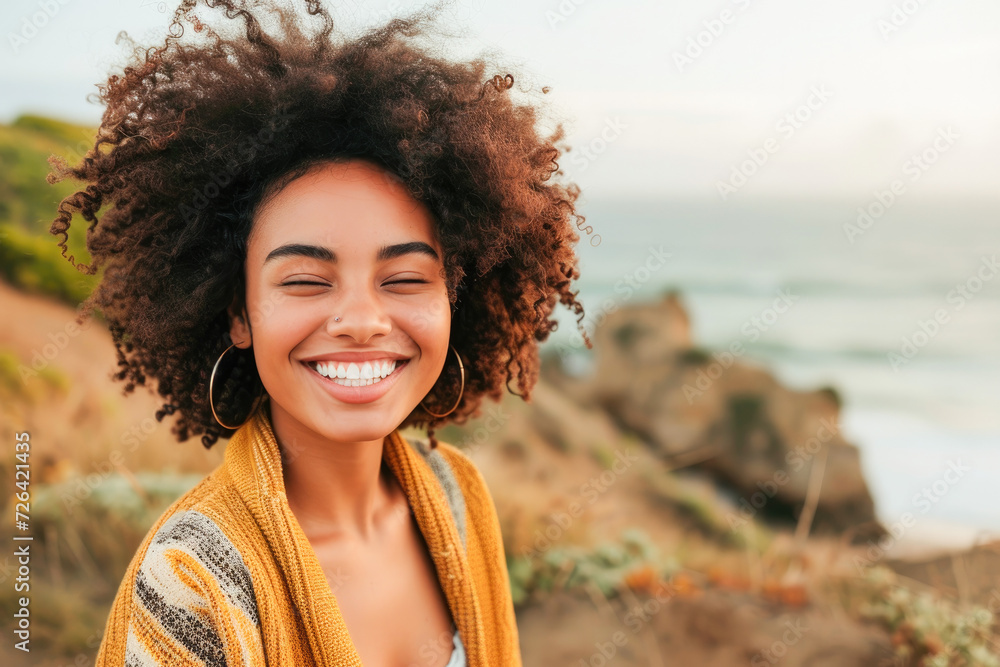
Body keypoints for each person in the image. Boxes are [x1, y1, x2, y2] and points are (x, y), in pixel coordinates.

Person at [48, 0, 591, 664]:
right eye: (306, 280)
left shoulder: (456, 497)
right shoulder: (191, 584)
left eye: (406, 279)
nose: (362, 320)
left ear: (455, 300)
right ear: (237, 313)